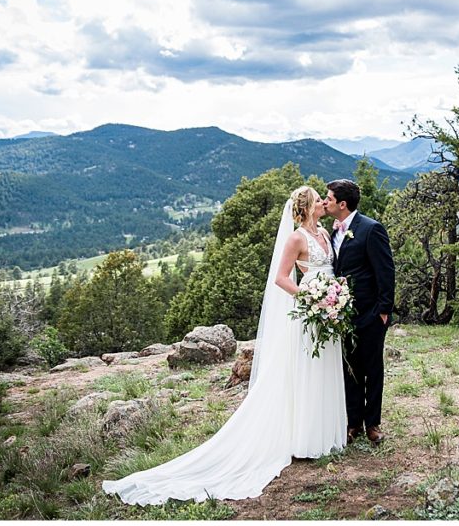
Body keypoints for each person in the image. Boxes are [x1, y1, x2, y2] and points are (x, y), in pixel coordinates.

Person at [102, 186, 346, 505]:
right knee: (304, 373)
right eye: (317, 200)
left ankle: (324, 434)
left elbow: (329, 269)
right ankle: (303, 439)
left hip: (329, 309)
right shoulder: (296, 238)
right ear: (306, 207)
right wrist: (311, 299)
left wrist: (335, 297)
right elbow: (281, 278)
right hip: (310, 311)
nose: (322, 203)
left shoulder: (325, 234)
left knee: (323, 370)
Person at [323, 179, 395, 446]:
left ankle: (372, 424)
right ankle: (352, 422)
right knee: (349, 368)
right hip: (342, 314)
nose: (325, 201)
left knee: (372, 368)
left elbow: (385, 271)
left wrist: (384, 311)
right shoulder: (330, 233)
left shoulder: (371, 229)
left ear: (342, 204)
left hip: (371, 312)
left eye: (328, 198)